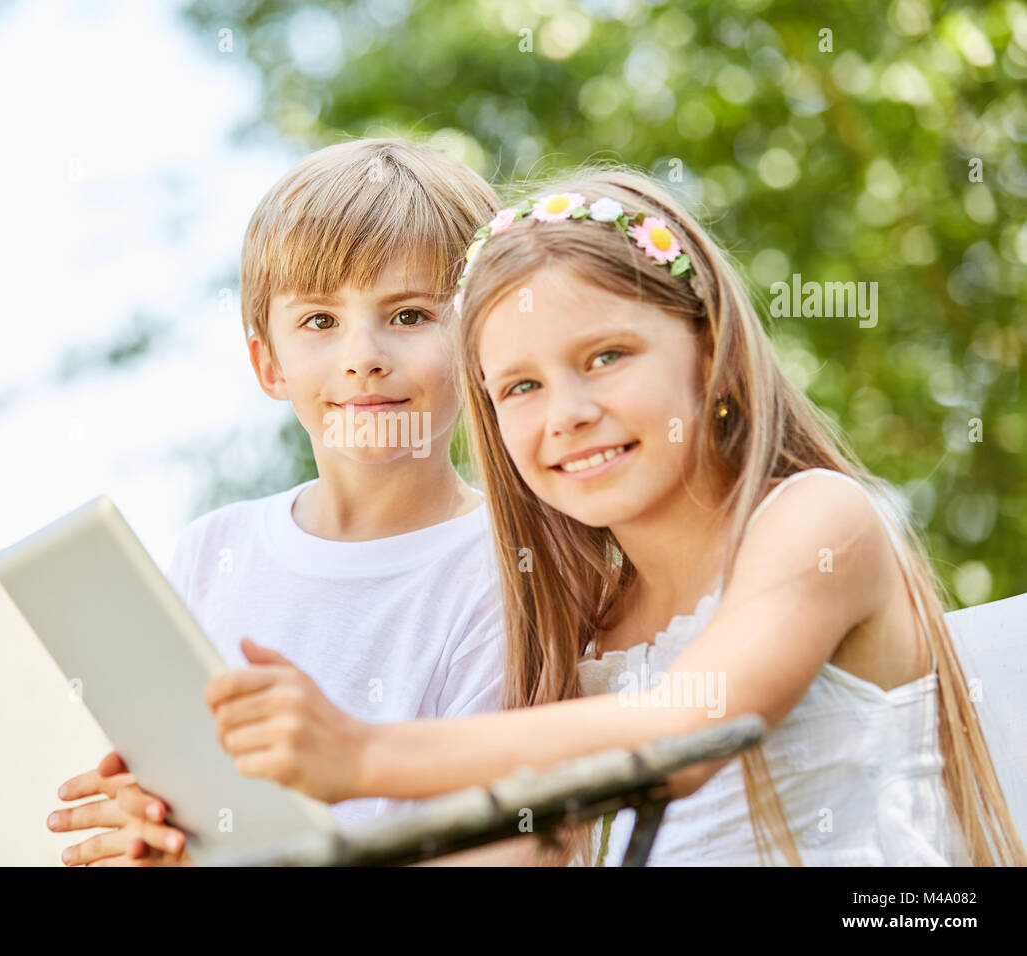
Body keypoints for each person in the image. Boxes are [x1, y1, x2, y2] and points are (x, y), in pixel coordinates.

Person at [125, 166, 1025, 866]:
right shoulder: (575, 617)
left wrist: (360, 755)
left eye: (606, 356)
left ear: (710, 348)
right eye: (520, 385)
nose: (567, 412)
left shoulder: (818, 524)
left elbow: (689, 733)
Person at [47, 137, 510, 865]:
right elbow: (178, 786)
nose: (364, 355)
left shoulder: (504, 567)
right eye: (320, 322)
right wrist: (152, 825)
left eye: (411, 314)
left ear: (486, 339)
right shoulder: (213, 549)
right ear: (269, 362)